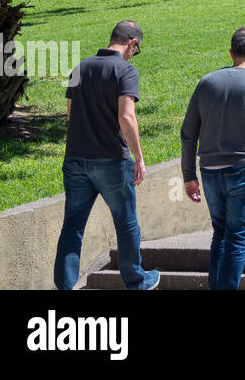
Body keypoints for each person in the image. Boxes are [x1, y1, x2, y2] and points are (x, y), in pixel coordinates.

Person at [53, 21, 160, 291]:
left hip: (75, 159)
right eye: (137, 49)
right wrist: (139, 156)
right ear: (133, 43)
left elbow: (70, 114)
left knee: (73, 226)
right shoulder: (126, 71)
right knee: (126, 223)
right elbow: (126, 117)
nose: (135, 55)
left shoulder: (80, 67)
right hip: (112, 160)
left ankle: (64, 287)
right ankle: (136, 282)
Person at [180, 26, 245, 290]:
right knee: (237, 239)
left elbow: (187, 134)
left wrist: (188, 175)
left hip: (209, 172)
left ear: (230, 52)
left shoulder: (206, 83)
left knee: (220, 235)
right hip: (242, 172)